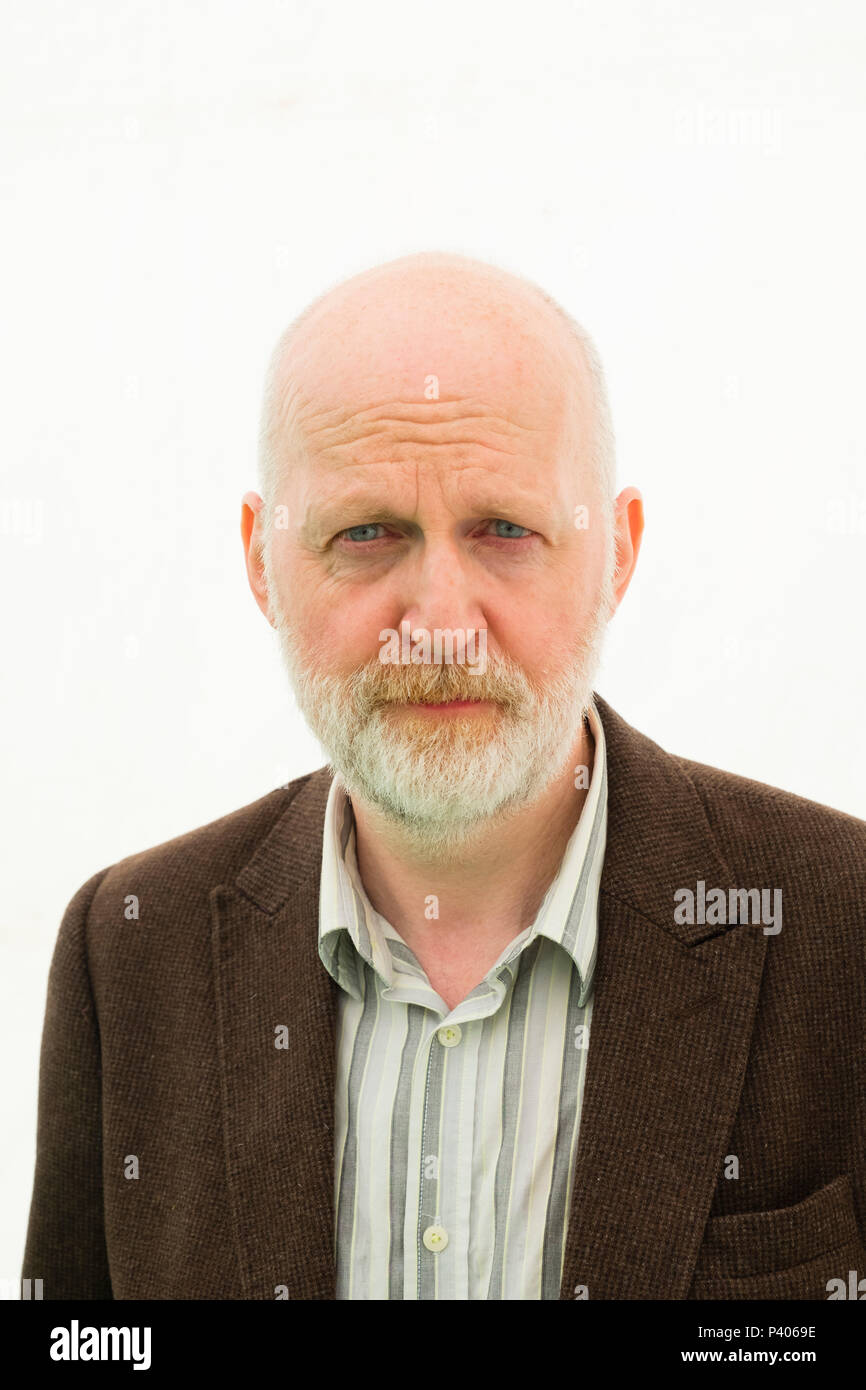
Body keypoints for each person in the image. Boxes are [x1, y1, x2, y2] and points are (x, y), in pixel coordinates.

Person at [23, 252, 866, 1300]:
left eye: (504, 531)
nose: (437, 627)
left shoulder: (841, 924)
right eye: (366, 534)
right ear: (260, 562)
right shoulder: (128, 949)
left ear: (616, 553)